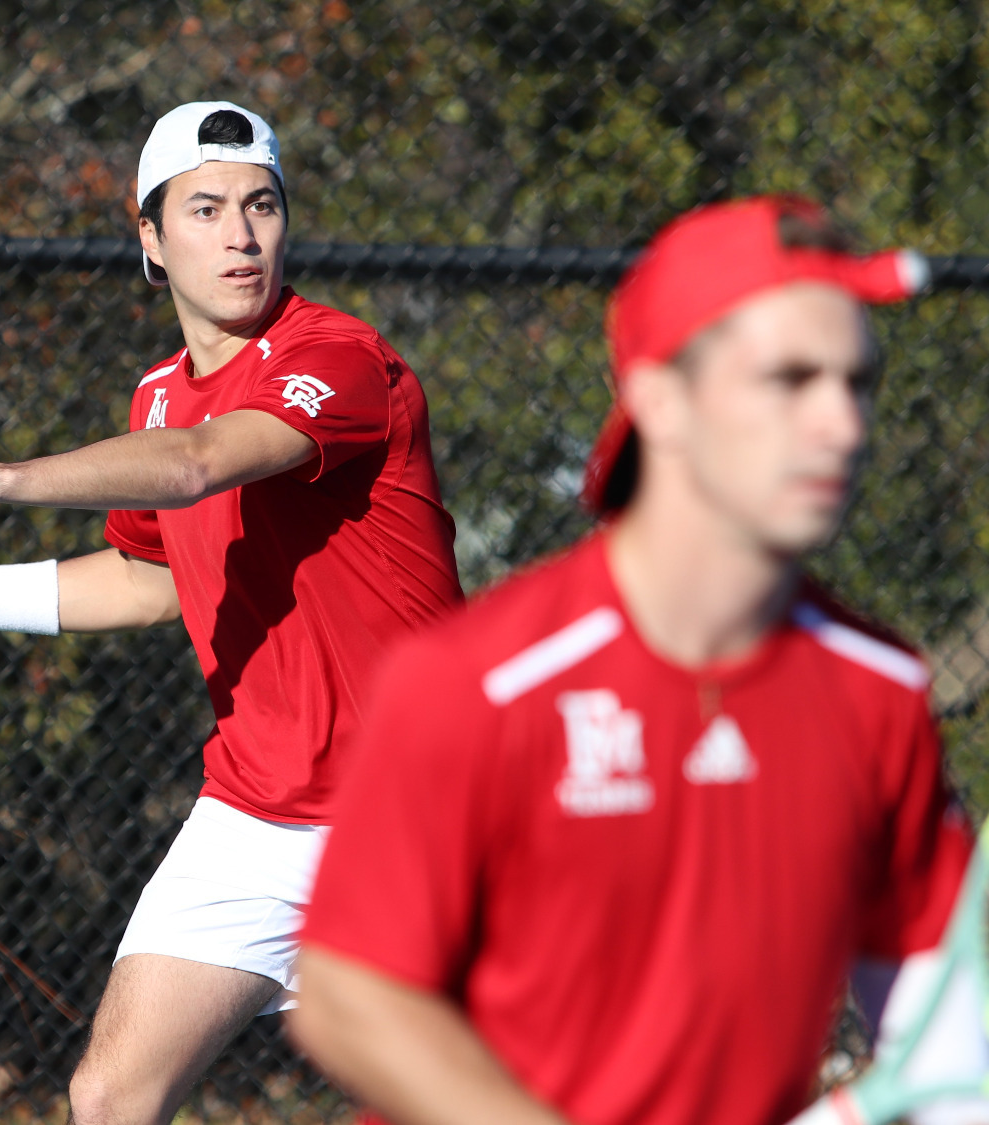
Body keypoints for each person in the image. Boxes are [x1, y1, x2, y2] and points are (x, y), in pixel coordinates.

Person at [0, 101, 461, 1123]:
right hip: (256, 814)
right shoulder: (158, 395)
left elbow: (199, 466)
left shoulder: (339, 360)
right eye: (205, 209)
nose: (240, 235)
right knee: (109, 1095)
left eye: (260, 205)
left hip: (420, 811)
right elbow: (148, 578)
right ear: (150, 239)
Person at [288, 196, 974, 1125]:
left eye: (857, 383)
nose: (841, 425)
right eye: (790, 378)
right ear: (658, 399)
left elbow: (942, 1032)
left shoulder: (878, 690)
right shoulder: (480, 681)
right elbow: (347, 995)